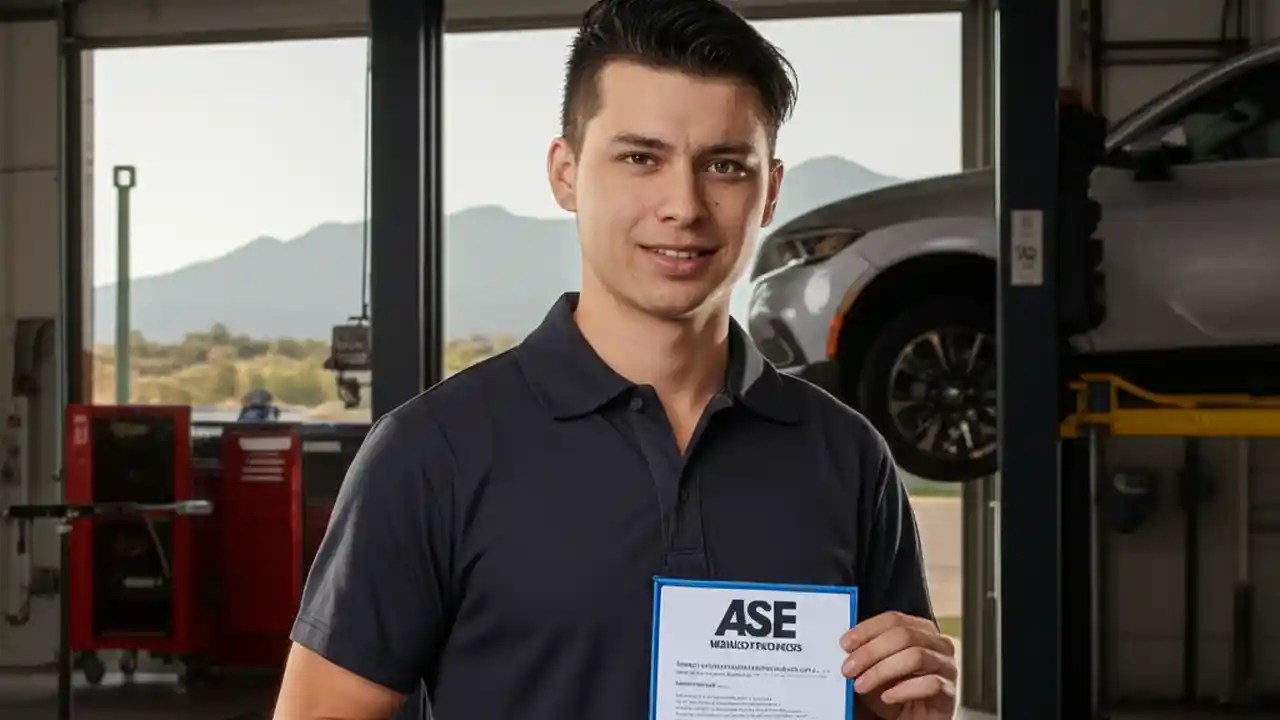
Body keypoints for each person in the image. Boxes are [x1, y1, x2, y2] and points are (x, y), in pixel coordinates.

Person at [272, 1, 957, 718]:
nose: (683, 205)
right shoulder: (433, 452)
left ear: (770, 193)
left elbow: (885, 696)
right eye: (640, 158)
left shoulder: (847, 458)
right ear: (565, 173)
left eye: (724, 165)